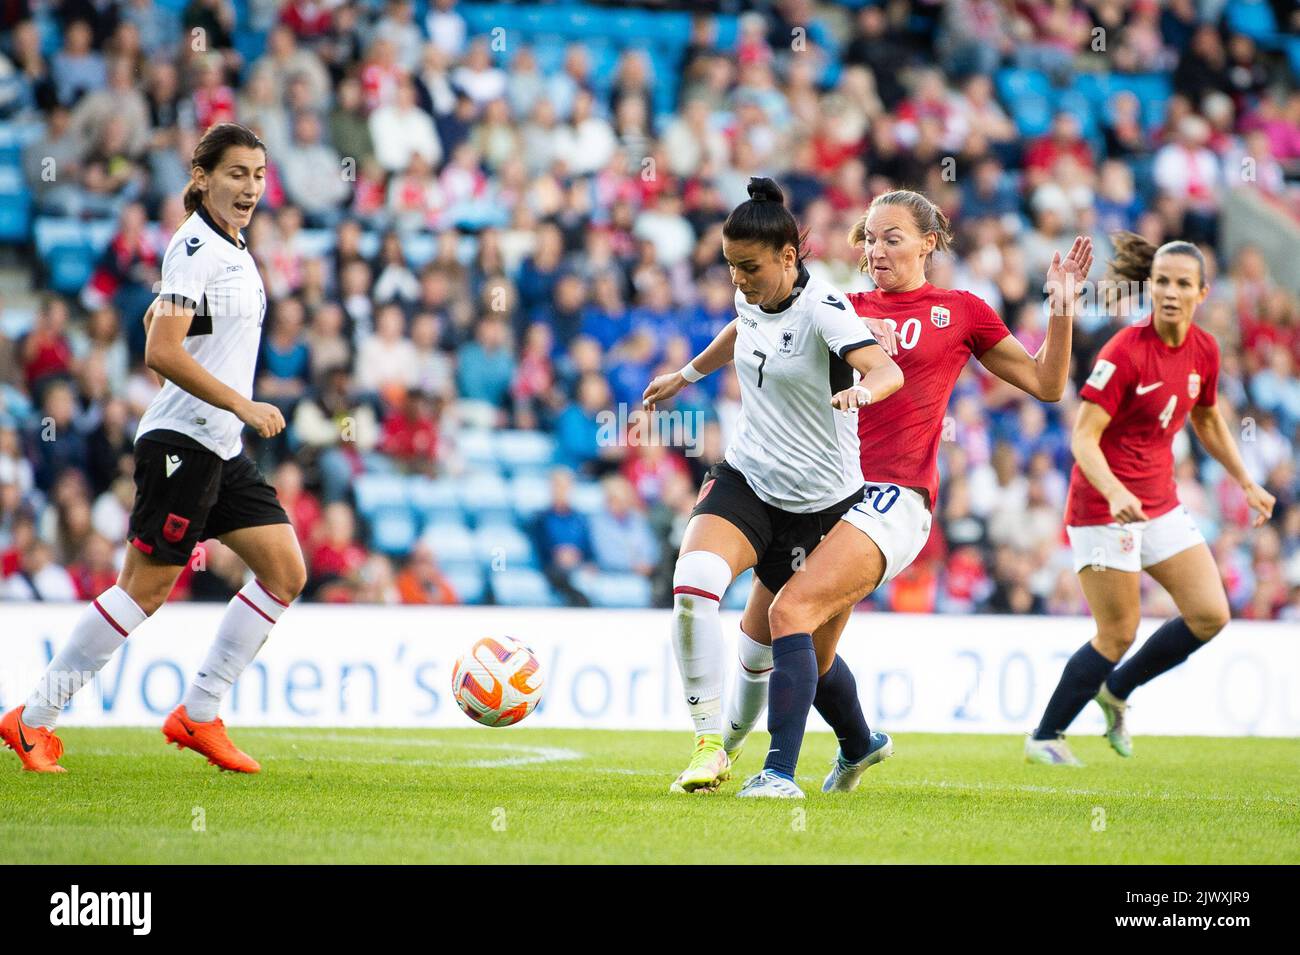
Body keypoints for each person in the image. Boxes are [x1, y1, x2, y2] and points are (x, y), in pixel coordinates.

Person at [720, 189, 1092, 797]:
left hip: (894, 498)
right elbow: (754, 327)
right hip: (825, 496)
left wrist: (1062, 307)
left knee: (790, 612)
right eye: (869, 238)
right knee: (805, 651)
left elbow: (1047, 384)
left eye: (892, 238)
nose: (877, 250)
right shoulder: (836, 306)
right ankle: (859, 743)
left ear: (928, 243)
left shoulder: (962, 311)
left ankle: (778, 774)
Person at [1, 123, 307, 775]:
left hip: (218, 446)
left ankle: (198, 714)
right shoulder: (196, 244)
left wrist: (216, 397)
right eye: (236, 173)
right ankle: (33, 718)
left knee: (285, 572)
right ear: (202, 177)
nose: (250, 187)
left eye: (258, 175)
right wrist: (241, 403)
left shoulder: (231, 247)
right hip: (184, 443)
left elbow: (162, 323)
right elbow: (159, 350)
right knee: (143, 590)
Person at [642, 177, 904, 795]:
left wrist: (863, 392)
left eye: (750, 267)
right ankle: (707, 745)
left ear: (789, 258)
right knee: (694, 583)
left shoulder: (825, 309)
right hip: (748, 479)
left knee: (774, 652)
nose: (739, 279)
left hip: (820, 506)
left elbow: (884, 368)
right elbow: (742, 328)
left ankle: (821, 744)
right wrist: (685, 376)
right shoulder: (752, 295)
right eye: (731, 266)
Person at [1026, 233, 1275, 765]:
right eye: (1162, 281)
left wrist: (1246, 481)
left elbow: (1208, 419)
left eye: (1182, 284)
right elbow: (1083, 438)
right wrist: (1114, 490)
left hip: (1158, 500)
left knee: (1210, 614)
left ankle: (1116, 691)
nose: (1170, 292)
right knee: (1118, 633)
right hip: (1102, 506)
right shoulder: (1125, 351)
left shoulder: (1205, 350)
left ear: (1202, 292)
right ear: (1151, 286)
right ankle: (1046, 736)